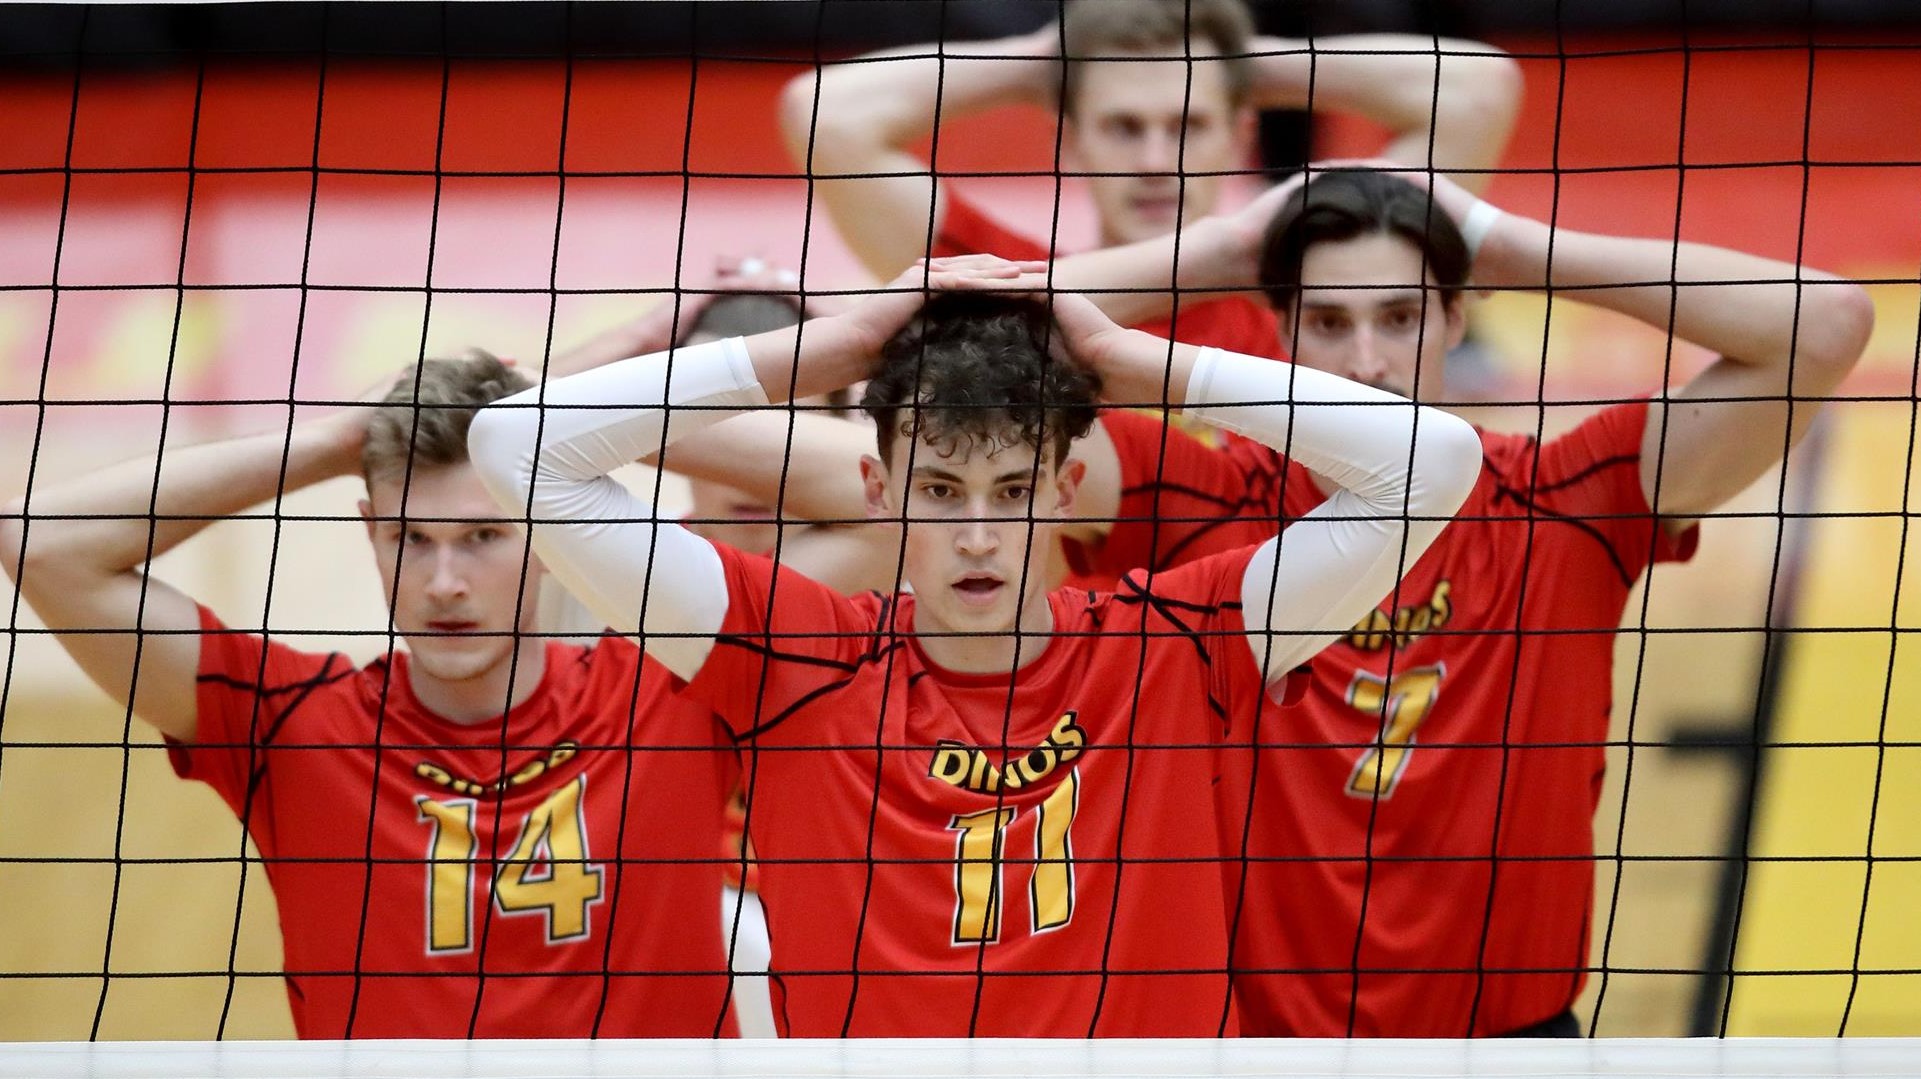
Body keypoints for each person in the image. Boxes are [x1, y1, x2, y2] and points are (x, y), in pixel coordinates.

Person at [468, 254, 1484, 1036]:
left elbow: (1435, 462)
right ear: (877, 492)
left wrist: (1131, 360)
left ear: (1063, 491)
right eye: (940, 492)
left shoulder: (1178, 644)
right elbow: (513, 446)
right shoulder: (793, 652)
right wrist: (837, 343)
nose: (977, 536)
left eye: (1009, 491)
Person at [1045, 166, 1876, 1036]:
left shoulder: (1560, 508)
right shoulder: (1204, 503)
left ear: (1454, 318)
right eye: (1327, 322)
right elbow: (993, 363)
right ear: (1278, 330)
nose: (1364, 361)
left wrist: (1505, 244)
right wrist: (1225, 249)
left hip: (1510, 1046)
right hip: (1262, 1051)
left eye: (1399, 317)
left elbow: (1825, 325)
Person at [0, 353, 741, 1038]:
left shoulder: (672, 692)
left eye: (484, 533)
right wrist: (333, 440)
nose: (444, 582)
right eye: (410, 537)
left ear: (546, 534)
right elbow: (40, 543)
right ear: (370, 533)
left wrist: (563, 433)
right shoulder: (291, 724)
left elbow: (857, 498)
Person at [781, 0, 1520, 358]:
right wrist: (1054, 58)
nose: (1155, 157)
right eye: (1124, 125)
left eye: (1187, 125)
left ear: (1238, 133)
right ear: (1067, 139)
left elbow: (1477, 88)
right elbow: (822, 114)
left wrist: (1231, 60)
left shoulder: (1313, 289)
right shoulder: (997, 285)